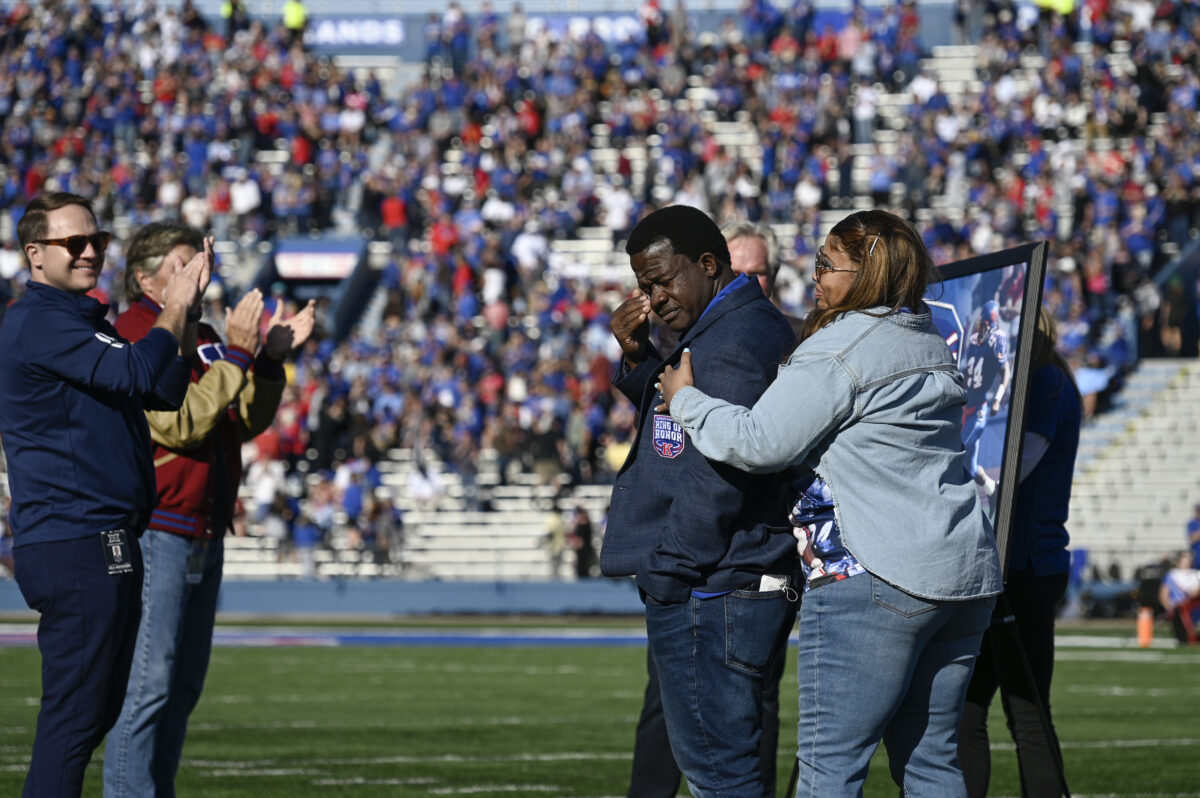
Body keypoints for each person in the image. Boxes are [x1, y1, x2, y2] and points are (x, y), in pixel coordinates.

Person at [659, 208, 1002, 797]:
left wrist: (686, 401)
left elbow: (760, 441)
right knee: (931, 763)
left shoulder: (845, 344)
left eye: (827, 264)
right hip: (961, 573)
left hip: (874, 572)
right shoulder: (925, 336)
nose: (814, 275)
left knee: (829, 771)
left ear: (865, 275)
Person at [0, 192, 208, 797]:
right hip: (77, 537)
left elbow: (165, 391)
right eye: (74, 243)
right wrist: (171, 307)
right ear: (35, 254)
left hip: (97, 535)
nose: (91, 252)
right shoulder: (40, 320)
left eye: (98, 241)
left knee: (90, 717)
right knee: (71, 723)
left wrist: (186, 313)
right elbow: (140, 373)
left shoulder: (75, 318)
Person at [104, 221, 316, 797]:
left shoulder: (201, 336)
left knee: (180, 690)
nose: (199, 271)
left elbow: (240, 419)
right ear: (145, 278)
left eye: (199, 261)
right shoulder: (133, 333)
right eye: (182, 263)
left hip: (201, 523)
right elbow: (179, 424)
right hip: (158, 526)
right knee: (147, 687)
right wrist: (241, 353)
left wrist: (267, 362)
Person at [601, 205, 799, 798]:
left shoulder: (735, 336)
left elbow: (719, 473)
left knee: (720, 775)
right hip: (719, 577)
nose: (654, 297)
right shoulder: (723, 325)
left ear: (708, 265)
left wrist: (671, 569)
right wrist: (638, 358)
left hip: (713, 583)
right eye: (644, 286)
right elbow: (677, 420)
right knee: (724, 767)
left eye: (663, 280)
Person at [958, 308, 1081, 798]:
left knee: (1025, 712)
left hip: (1027, 564)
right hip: (1004, 562)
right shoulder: (1033, 382)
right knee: (966, 710)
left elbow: (1008, 472)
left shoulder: (1046, 382)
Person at [961, 299, 1012, 496]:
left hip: (978, 412)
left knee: (957, 452)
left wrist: (998, 398)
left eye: (981, 322)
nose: (978, 326)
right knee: (971, 469)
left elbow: (1005, 372)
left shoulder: (996, 339)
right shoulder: (974, 340)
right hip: (967, 408)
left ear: (989, 322)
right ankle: (994, 491)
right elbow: (967, 374)